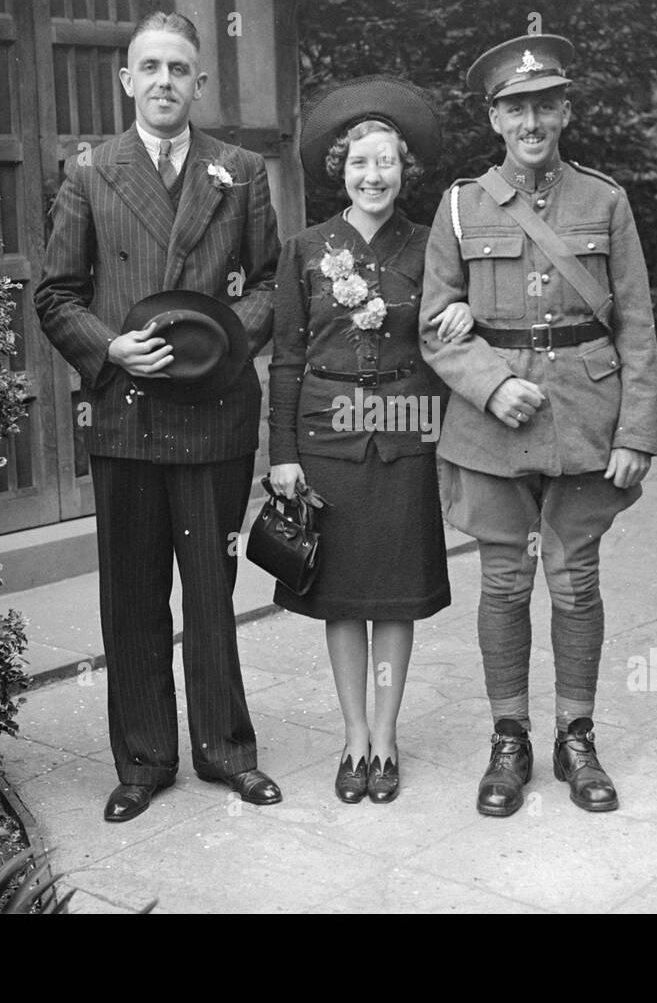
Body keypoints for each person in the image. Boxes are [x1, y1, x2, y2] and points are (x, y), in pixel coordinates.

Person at [35, 10, 284, 822]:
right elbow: (55, 294)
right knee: (134, 594)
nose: (165, 82)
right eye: (151, 68)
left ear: (199, 82)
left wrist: (214, 345)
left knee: (213, 589)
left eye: (180, 69)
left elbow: (274, 285)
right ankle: (143, 761)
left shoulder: (240, 170)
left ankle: (227, 751)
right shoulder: (91, 172)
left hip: (212, 411)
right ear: (127, 80)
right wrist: (110, 351)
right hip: (128, 414)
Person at [419, 34, 657, 817]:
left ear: (564, 111)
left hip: (587, 417)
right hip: (493, 428)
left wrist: (637, 433)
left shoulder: (606, 201)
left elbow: (638, 326)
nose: (531, 121)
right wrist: (491, 388)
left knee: (576, 580)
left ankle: (577, 738)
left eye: (543, 105)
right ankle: (509, 740)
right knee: (503, 581)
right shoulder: (460, 205)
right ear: (494, 118)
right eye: (514, 107)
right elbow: (432, 325)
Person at [267, 77, 469, 804]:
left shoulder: (432, 245)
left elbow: (451, 333)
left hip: (407, 442)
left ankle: (386, 738)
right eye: (358, 162)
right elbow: (287, 358)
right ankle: (352, 736)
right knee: (343, 598)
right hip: (329, 446)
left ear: (403, 168)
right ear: (340, 171)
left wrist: (461, 323)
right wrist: (282, 455)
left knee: (397, 599)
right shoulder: (305, 250)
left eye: (385, 161)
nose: (372, 175)